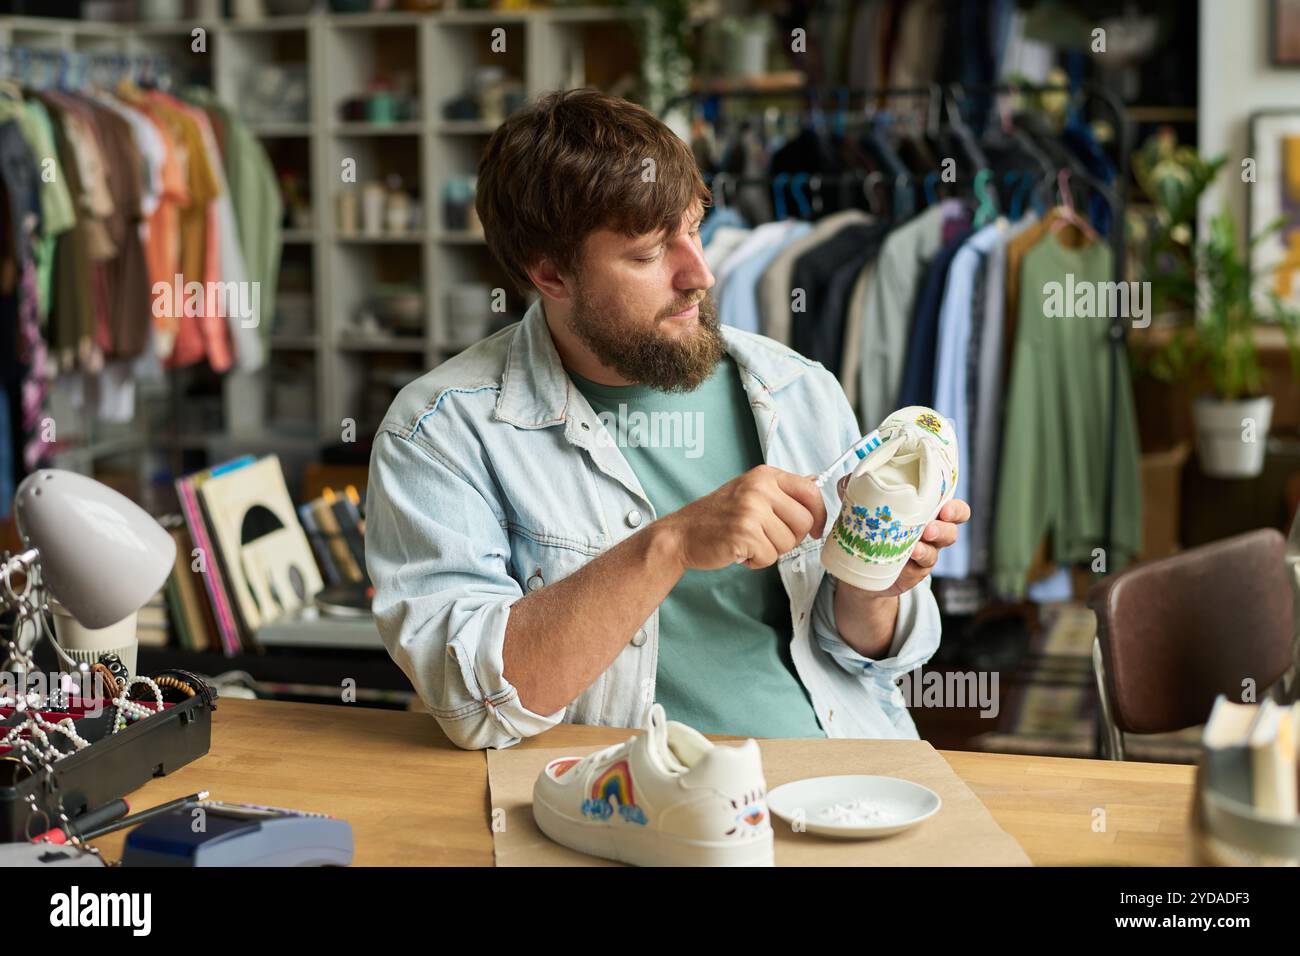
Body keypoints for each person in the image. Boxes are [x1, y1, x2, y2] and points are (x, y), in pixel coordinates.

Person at [365, 88, 971, 750]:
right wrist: (672, 543)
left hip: (846, 770)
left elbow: (862, 658)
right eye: (650, 252)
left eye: (695, 228)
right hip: (633, 798)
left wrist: (876, 584)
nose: (700, 274)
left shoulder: (798, 388)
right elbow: (473, 706)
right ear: (551, 275)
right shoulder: (439, 434)